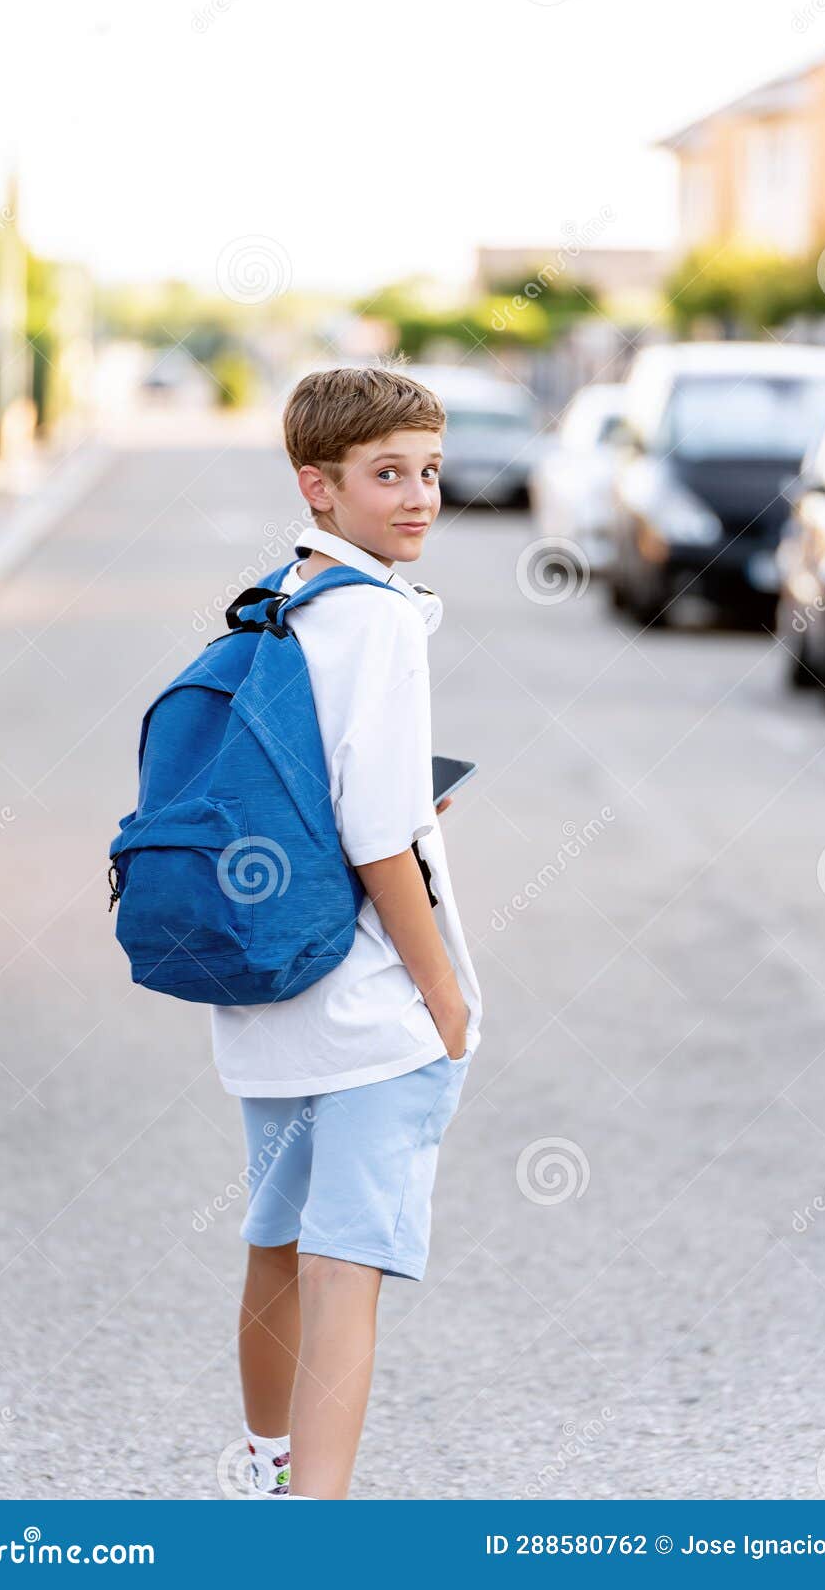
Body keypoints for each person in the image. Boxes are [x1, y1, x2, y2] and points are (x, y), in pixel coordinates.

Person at [210, 364, 483, 1500]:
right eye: (387, 475)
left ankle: (265, 1468)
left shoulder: (281, 593)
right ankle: (315, 1535)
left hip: (269, 986)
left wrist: (401, 807)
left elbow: (307, 789)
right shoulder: (378, 618)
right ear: (316, 484)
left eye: (428, 470)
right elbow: (377, 839)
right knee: (346, 1267)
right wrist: (447, 1000)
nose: (417, 496)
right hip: (369, 1003)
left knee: (277, 1239)